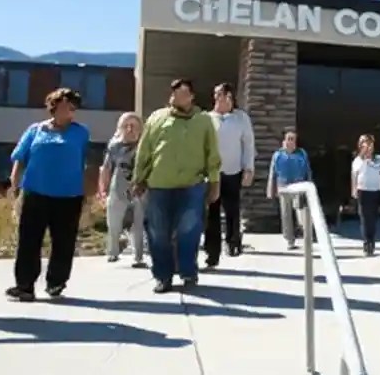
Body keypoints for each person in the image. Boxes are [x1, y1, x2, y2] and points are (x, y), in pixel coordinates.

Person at [133, 78, 221, 293]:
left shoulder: (203, 120)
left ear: (191, 96)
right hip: (159, 185)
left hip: (192, 186)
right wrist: (139, 179)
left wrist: (214, 182)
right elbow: (145, 150)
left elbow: (212, 154)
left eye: (182, 93)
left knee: (189, 231)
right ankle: (163, 276)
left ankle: (188, 271)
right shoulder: (157, 118)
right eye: (173, 94)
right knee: (158, 232)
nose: (176, 98)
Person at [6, 88, 91, 302]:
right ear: (54, 106)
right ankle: (24, 286)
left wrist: (88, 194)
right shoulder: (35, 130)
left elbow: (83, 163)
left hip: (69, 195)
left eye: (74, 107)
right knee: (29, 240)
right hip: (35, 192)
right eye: (66, 105)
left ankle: (56, 282)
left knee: (64, 241)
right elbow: (20, 158)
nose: (70, 111)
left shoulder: (81, 133)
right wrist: (14, 185)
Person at [205, 82, 255, 266]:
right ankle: (212, 252)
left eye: (224, 95)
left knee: (232, 209)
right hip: (212, 173)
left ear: (231, 98)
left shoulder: (241, 118)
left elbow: (248, 144)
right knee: (212, 213)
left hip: (233, 171)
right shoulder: (207, 118)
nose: (220, 98)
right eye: (217, 94)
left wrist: (248, 167)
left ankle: (233, 243)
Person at [98, 112, 147, 268]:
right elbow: (106, 168)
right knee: (113, 222)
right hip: (118, 188)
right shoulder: (114, 146)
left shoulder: (146, 146)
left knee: (138, 224)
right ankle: (112, 252)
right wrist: (102, 190)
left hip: (140, 190)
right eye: (126, 126)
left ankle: (138, 256)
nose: (130, 129)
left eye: (134, 126)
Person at [267, 129, 312, 250]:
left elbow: (308, 170)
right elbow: (273, 173)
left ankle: (306, 235)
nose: (290, 142)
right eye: (288, 139)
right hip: (283, 186)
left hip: (299, 186)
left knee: (301, 212)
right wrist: (270, 190)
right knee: (286, 214)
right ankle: (289, 240)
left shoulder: (301, 153)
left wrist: (310, 185)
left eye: (293, 139)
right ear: (284, 141)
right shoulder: (278, 155)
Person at [350, 133, 380, 256]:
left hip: (375, 190)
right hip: (363, 190)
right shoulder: (358, 161)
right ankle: (366, 243)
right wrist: (354, 189)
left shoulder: (379, 159)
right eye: (365, 143)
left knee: (373, 218)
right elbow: (354, 176)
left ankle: (372, 241)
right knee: (364, 217)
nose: (368, 146)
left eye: (370, 144)